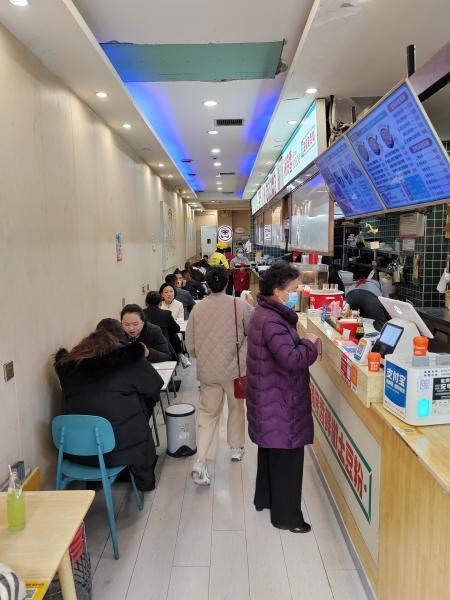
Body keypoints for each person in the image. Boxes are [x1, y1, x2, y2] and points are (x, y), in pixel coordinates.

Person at [246, 262, 320, 533]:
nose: (296, 294)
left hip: (269, 396)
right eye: (293, 289)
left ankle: (265, 499)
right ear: (278, 291)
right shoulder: (273, 320)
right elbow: (291, 359)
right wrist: (309, 343)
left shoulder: (264, 312)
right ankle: (287, 518)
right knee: (287, 458)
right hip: (280, 400)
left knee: (271, 452)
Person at [54, 323, 164, 491]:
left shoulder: (69, 368)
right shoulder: (129, 361)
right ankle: (143, 480)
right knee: (141, 402)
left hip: (76, 452)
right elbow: (155, 385)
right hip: (122, 450)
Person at [186, 266, 253, 485]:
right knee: (236, 408)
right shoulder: (239, 305)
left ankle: (200, 461)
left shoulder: (197, 309)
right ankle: (235, 448)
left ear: (207, 284)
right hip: (234, 371)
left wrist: (204, 356)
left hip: (208, 372)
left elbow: (190, 346)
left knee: (208, 414)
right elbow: (252, 333)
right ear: (227, 283)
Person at [144, 291, 191, 368]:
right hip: (163, 346)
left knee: (169, 332)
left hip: (145, 344)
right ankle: (181, 355)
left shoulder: (141, 314)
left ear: (146, 303)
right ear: (160, 303)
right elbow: (177, 328)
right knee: (172, 333)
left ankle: (180, 355)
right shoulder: (166, 314)